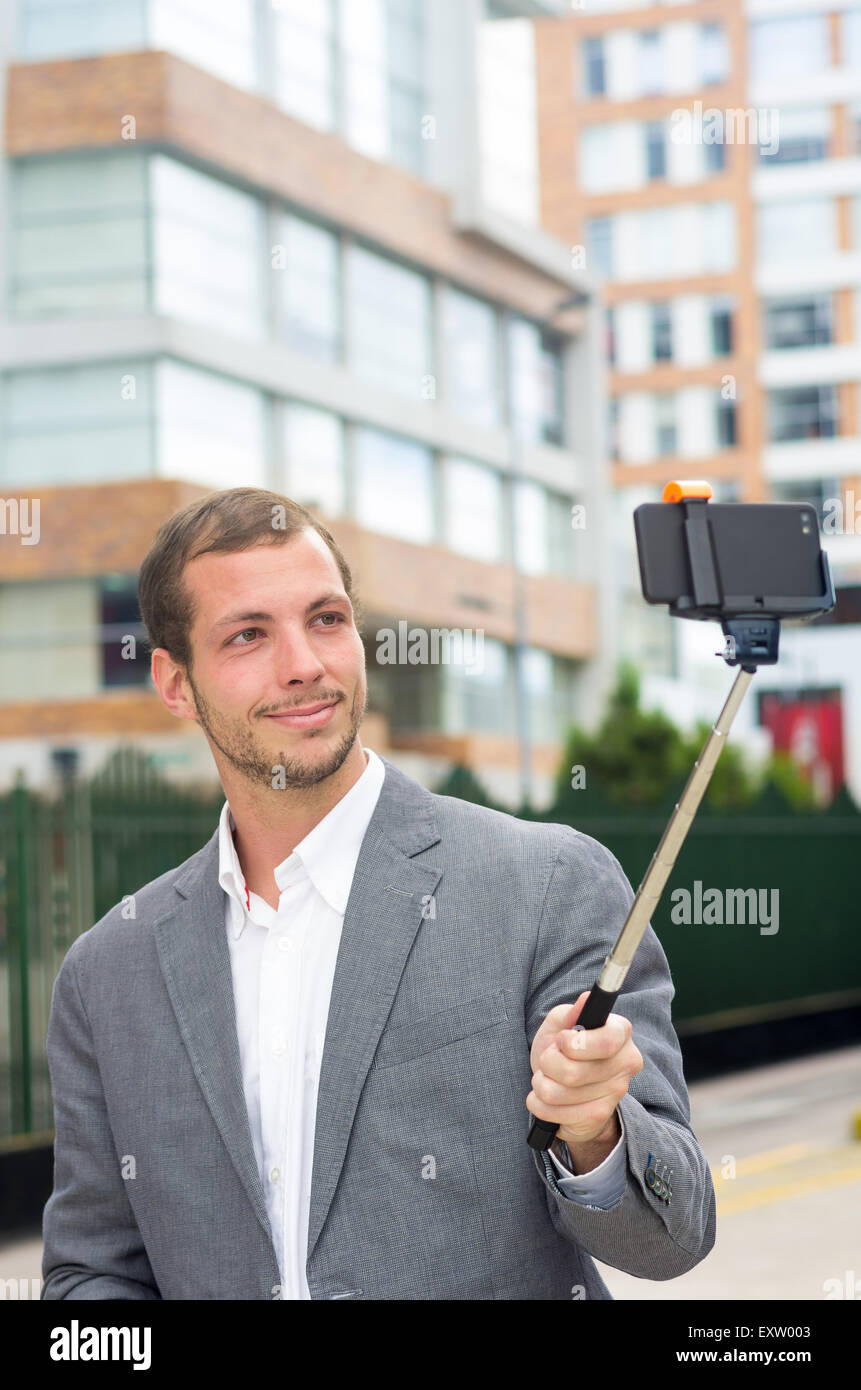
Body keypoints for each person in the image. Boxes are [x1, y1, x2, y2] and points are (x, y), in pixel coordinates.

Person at [41, 487, 715, 1300]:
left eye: (326, 619)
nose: (305, 663)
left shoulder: (545, 886)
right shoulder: (107, 972)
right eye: (249, 634)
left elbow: (673, 1237)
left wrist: (593, 1131)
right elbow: (89, 1275)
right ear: (175, 683)